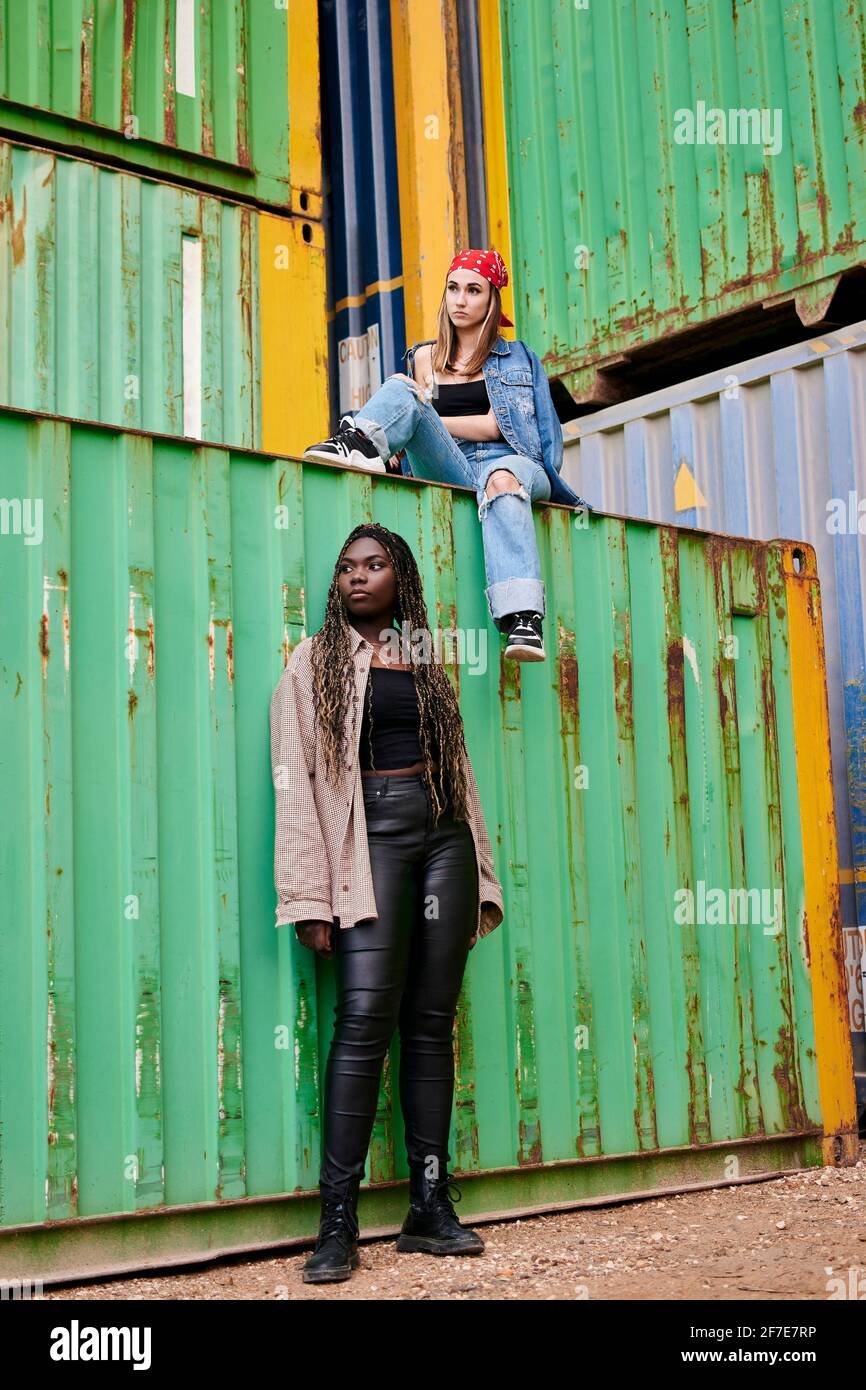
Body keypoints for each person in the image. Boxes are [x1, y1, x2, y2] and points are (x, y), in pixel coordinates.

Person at [270, 521, 505, 1285]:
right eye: (346, 568)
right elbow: (296, 787)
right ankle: (337, 1223)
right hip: (366, 841)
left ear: (400, 577)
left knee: (431, 1024)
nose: (358, 577)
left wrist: (483, 874)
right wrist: (308, 893)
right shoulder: (313, 666)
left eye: (374, 565)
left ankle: (428, 1209)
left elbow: (459, 770)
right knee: (365, 1018)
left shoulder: (428, 661)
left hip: (443, 839)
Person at [303, 248, 592, 662]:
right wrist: (420, 414)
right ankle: (358, 443)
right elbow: (418, 411)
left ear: (491, 300)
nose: (460, 300)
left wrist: (428, 417)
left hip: (510, 462)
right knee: (403, 388)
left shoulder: (517, 358)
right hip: (451, 465)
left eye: (473, 291)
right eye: (453, 288)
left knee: (500, 477)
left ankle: (523, 618)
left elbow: (496, 427)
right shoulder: (426, 357)